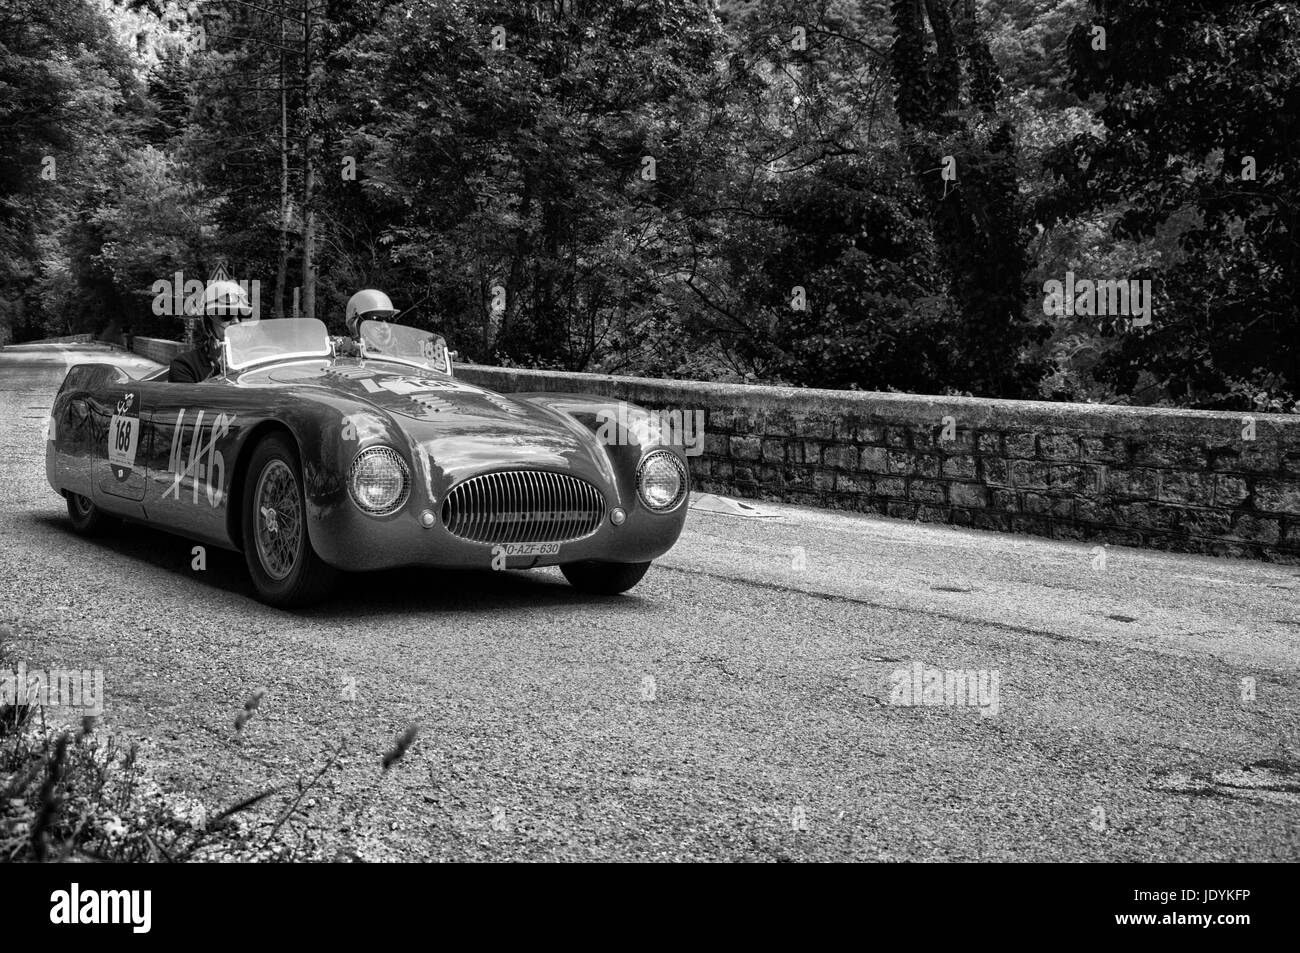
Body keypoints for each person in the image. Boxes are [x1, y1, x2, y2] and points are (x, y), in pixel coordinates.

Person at [168, 280, 254, 383]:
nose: (236, 322)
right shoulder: (184, 366)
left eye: (241, 315)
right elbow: (188, 398)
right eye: (226, 315)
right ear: (207, 322)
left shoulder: (257, 359)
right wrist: (218, 370)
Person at [335, 289, 397, 357]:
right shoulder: (335, 357)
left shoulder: (402, 360)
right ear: (354, 325)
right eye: (376, 319)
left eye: (389, 320)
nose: (385, 326)